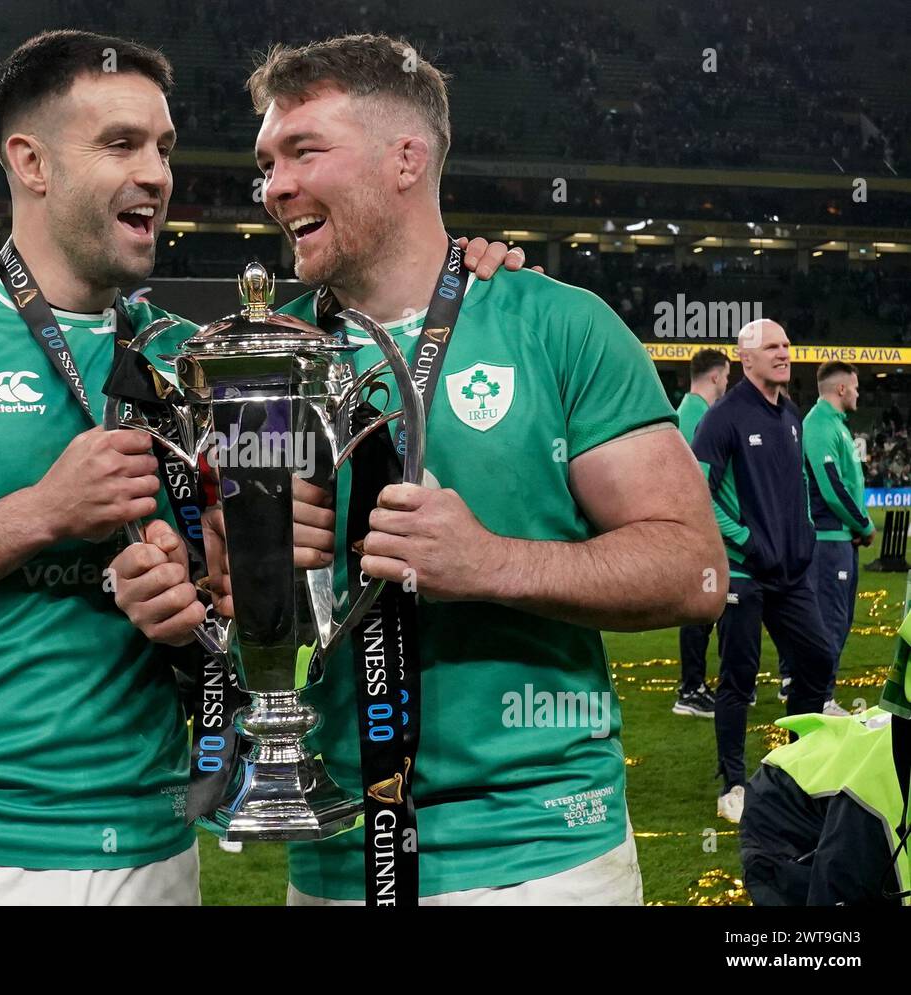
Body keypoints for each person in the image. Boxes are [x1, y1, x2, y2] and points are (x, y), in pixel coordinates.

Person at [0, 29, 531, 907]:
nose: (157, 174)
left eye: (165, 148)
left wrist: (469, 271)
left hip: (157, 842)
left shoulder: (192, 360)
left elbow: (244, 582)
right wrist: (42, 512)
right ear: (30, 161)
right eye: (121, 144)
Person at [111, 34, 725, 906]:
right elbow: (228, 591)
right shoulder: (259, 357)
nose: (274, 186)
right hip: (326, 853)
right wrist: (210, 584)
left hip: (539, 856)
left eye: (303, 150)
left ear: (407, 158)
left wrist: (493, 563)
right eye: (266, 163)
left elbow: (692, 568)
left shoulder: (559, 325)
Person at [692, 319, 834, 824]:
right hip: (744, 574)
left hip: (791, 573)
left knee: (818, 659)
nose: (784, 352)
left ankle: (797, 763)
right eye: (771, 346)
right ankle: (733, 784)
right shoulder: (722, 419)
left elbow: (797, 479)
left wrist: (807, 530)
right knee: (739, 680)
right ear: (744, 359)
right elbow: (699, 497)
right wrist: (748, 541)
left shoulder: (791, 414)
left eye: (787, 345)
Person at [801, 360, 875, 715]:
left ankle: (818, 694)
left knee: (839, 620)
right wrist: (862, 524)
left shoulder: (836, 426)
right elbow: (831, 488)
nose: (859, 393)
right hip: (828, 540)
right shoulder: (818, 424)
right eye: (856, 387)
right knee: (830, 621)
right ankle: (820, 699)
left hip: (841, 539)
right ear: (842, 388)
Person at [674, 348, 730, 718]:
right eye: (727, 376)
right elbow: (694, 486)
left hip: (698, 527)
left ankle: (700, 685)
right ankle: (690, 689)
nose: (728, 383)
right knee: (700, 610)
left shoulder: (689, 413)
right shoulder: (698, 417)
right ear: (714, 376)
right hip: (699, 529)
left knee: (710, 609)